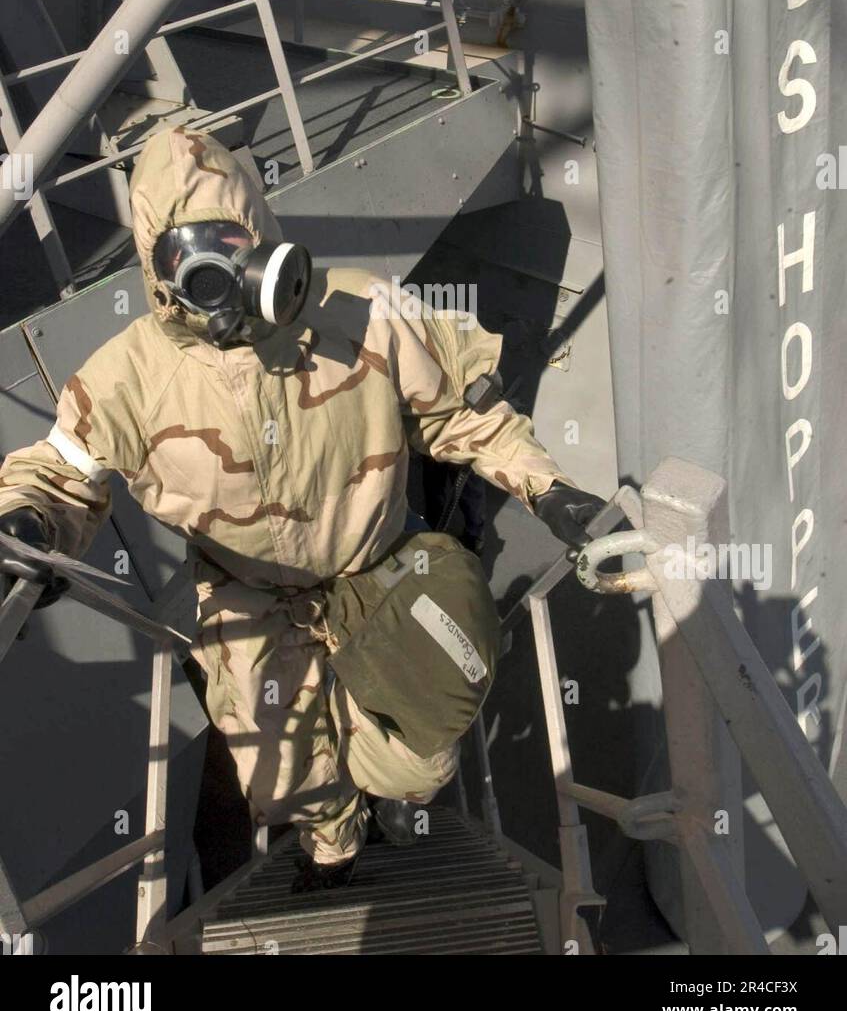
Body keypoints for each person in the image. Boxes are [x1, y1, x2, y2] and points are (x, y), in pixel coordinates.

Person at [0, 126, 603, 890]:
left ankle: (390, 793)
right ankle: (333, 844)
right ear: (155, 267)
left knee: (420, 759)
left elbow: (462, 415)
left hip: (378, 569)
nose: (209, 269)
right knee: (281, 776)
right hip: (247, 594)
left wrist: (550, 490)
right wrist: (28, 527)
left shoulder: (361, 314)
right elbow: (60, 474)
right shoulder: (127, 378)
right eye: (182, 253)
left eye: (225, 239)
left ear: (259, 235)